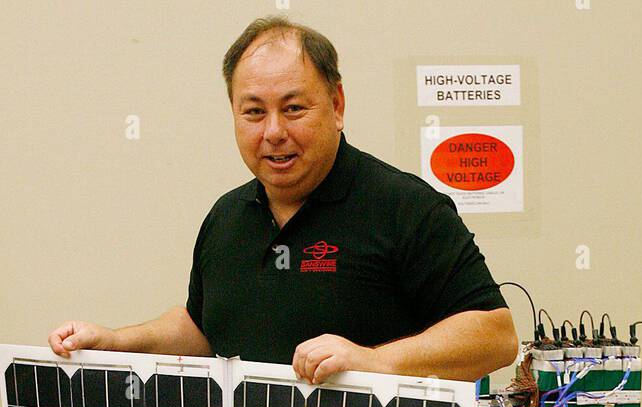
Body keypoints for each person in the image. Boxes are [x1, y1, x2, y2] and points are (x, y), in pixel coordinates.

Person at [48, 17, 518, 384]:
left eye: (293, 108)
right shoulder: (226, 217)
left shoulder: (405, 208)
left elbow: (495, 337)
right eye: (253, 111)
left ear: (336, 105)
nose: (274, 132)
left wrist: (375, 361)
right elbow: (204, 329)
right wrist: (113, 342)